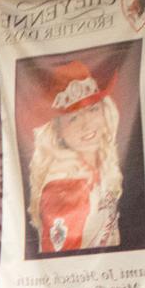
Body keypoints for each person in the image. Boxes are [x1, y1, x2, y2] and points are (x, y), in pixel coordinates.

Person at [27, 60, 123, 255]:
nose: (87, 124)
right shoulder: (66, 186)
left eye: (93, 109)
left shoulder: (100, 168)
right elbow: (63, 264)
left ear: (105, 111)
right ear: (57, 131)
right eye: (73, 117)